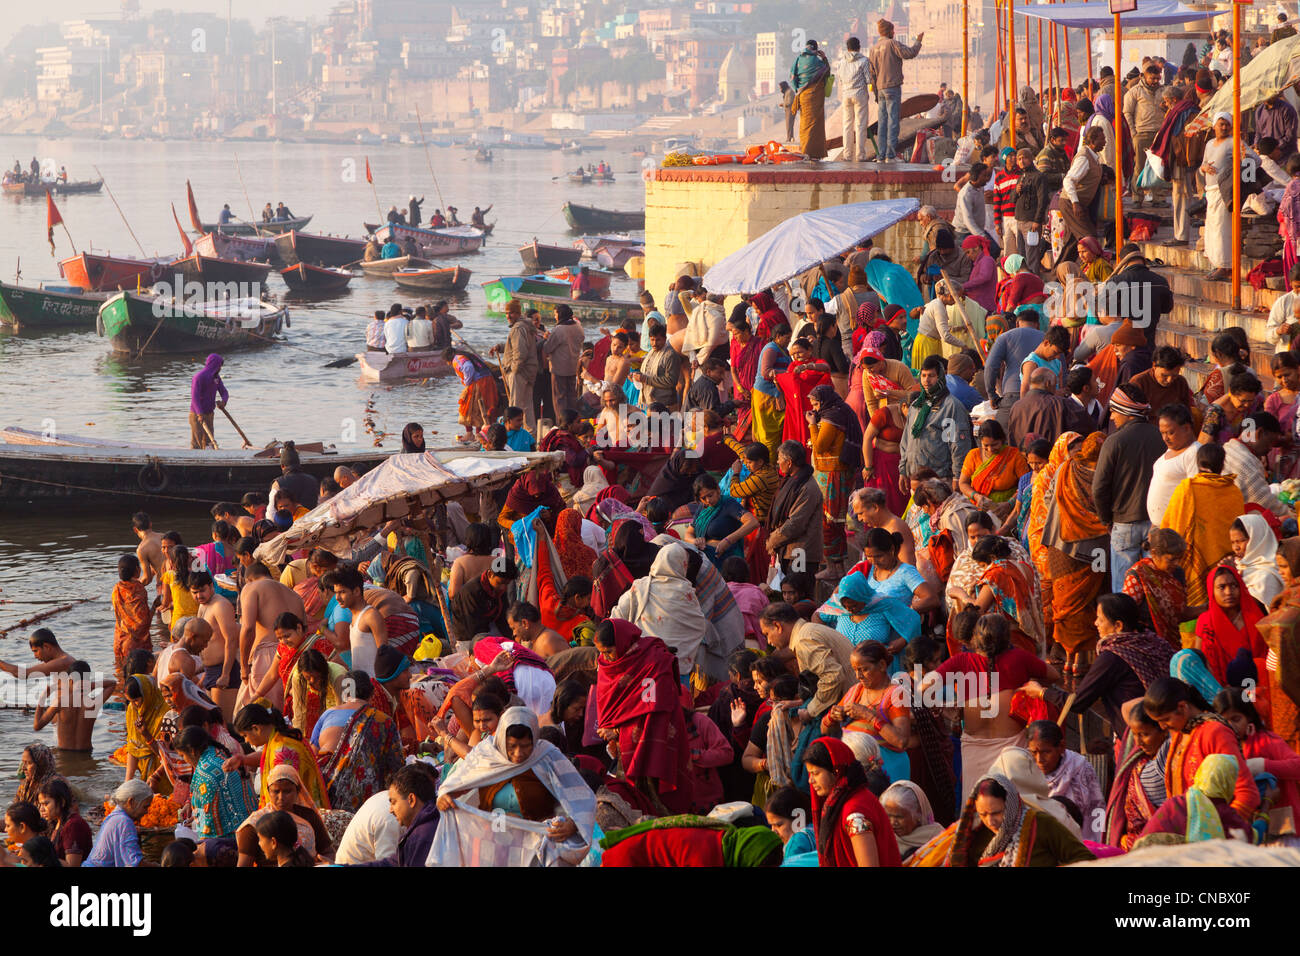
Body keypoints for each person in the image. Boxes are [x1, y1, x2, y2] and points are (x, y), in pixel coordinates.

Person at [430, 706, 596, 866]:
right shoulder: (486, 755)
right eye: (512, 746)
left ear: (534, 739)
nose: (519, 753)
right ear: (502, 740)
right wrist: (445, 798)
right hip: (492, 845)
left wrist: (572, 824)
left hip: (536, 849)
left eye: (525, 746)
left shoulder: (547, 757)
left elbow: (581, 798)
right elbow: (456, 785)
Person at [920, 615, 1059, 800]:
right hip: (1012, 748)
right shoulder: (1019, 657)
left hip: (974, 748)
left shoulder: (962, 660)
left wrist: (944, 708)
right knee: (1013, 810)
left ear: (976, 638)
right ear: (1006, 637)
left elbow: (923, 688)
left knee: (977, 811)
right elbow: (1054, 675)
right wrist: (1029, 683)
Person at [1143, 676, 1260, 817]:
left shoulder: (1215, 732)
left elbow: (1246, 793)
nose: (1162, 727)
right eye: (1158, 722)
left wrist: (1221, 830)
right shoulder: (1180, 734)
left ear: (1182, 707)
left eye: (1165, 720)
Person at [920, 772, 1094, 866]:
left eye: (997, 812)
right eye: (983, 814)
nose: (990, 821)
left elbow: (1085, 859)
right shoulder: (973, 834)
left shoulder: (1040, 824)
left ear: (1011, 804)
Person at [803, 737, 901, 866]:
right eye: (810, 774)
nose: (811, 781)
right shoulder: (851, 800)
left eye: (816, 773)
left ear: (836, 771)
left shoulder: (854, 813)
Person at [318, 671, 404, 812]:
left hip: (329, 796)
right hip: (368, 803)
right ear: (371, 693)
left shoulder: (328, 714)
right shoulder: (383, 721)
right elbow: (396, 765)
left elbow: (314, 755)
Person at [229, 703, 330, 809]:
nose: (246, 740)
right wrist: (243, 759)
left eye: (245, 735)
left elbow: (282, 799)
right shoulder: (278, 737)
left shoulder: (283, 749)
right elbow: (270, 757)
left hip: (298, 815)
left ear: (256, 729)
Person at [1025, 720, 1106, 842]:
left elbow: (1097, 807)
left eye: (1046, 752)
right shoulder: (1024, 769)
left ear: (1061, 747)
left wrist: (1098, 842)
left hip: (1081, 839)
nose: (1039, 759)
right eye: (1034, 752)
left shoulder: (1081, 768)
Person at [899, 355, 972, 486]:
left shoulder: (950, 406)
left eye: (931, 376)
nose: (927, 380)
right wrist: (903, 471)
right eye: (923, 375)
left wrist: (957, 478)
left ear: (940, 377)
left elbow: (957, 445)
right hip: (915, 477)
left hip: (940, 479)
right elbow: (906, 440)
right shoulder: (916, 405)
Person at [175, 725, 255, 838]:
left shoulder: (205, 774)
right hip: (250, 825)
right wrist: (196, 818)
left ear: (192, 751)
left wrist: (200, 830)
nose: (184, 760)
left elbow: (209, 825)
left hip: (233, 838)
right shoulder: (217, 754)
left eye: (182, 755)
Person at [765, 440, 825, 578]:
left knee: (799, 592)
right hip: (789, 549)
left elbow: (795, 524)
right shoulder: (791, 480)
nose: (778, 462)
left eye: (780, 459)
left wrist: (772, 541)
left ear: (789, 462)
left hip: (801, 552)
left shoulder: (807, 487)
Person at [868, 19, 923, 163]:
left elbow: (872, 74)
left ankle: (880, 156)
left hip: (880, 89)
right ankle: (890, 156)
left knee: (882, 123)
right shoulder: (892, 44)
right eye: (893, 30)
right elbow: (910, 53)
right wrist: (918, 41)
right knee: (893, 122)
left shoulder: (873, 49)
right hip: (892, 87)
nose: (894, 33)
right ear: (889, 31)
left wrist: (875, 92)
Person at [83, 780, 155, 867]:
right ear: (131, 802)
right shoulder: (124, 822)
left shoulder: (114, 816)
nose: (146, 812)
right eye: (145, 807)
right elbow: (135, 863)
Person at [1201, 112, 1235, 280]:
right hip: (1210, 191)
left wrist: (1239, 178)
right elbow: (1203, 163)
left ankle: (1225, 266)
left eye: (1226, 124)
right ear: (1214, 126)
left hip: (1225, 191)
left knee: (1223, 229)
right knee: (1213, 229)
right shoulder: (1209, 144)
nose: (1223, 127)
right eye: (1220, 124)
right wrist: (1204, 168)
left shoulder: (1234, 143)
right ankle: (1217, 264)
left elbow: (1253, 160)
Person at [789, 39, 830, 161]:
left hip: (802, 96)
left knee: (805, 125)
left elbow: (792, 77)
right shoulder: (817, 62)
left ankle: (805, 151)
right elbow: (827, 72)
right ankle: (814, 153)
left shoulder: (798, 60)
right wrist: (824, 58)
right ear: (816, 50)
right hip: (815, 96)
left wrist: (799, 89)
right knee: (815, 125)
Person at [38, 779, 91, 867]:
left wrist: (42, 857)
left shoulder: (73, 825)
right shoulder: (56, 822)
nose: (41, 809)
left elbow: (72, 865)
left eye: (46, 804)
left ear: (62, 802)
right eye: (40, 804)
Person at [837, 37, 871, 162]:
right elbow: (868, 79)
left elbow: (840, 79)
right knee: (861, 125)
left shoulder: (841, 62)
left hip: (846, 95)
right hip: (860, 94)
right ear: (859, 47)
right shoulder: (864, 61)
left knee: (847, 125)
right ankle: (860, 155)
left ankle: (847, 155)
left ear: (847, 47)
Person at [189, 353, 228, 450]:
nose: (220, 369)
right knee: (197, 442)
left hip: (209, 414)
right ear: (214, 365)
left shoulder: (216, 378)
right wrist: (199, 413)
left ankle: (209, 458)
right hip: (197, 415)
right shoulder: (199, 377)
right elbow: (195, 398)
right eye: (219, 366)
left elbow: (224, 391)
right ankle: (195, 460)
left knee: (209, 443)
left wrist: (224, 401)